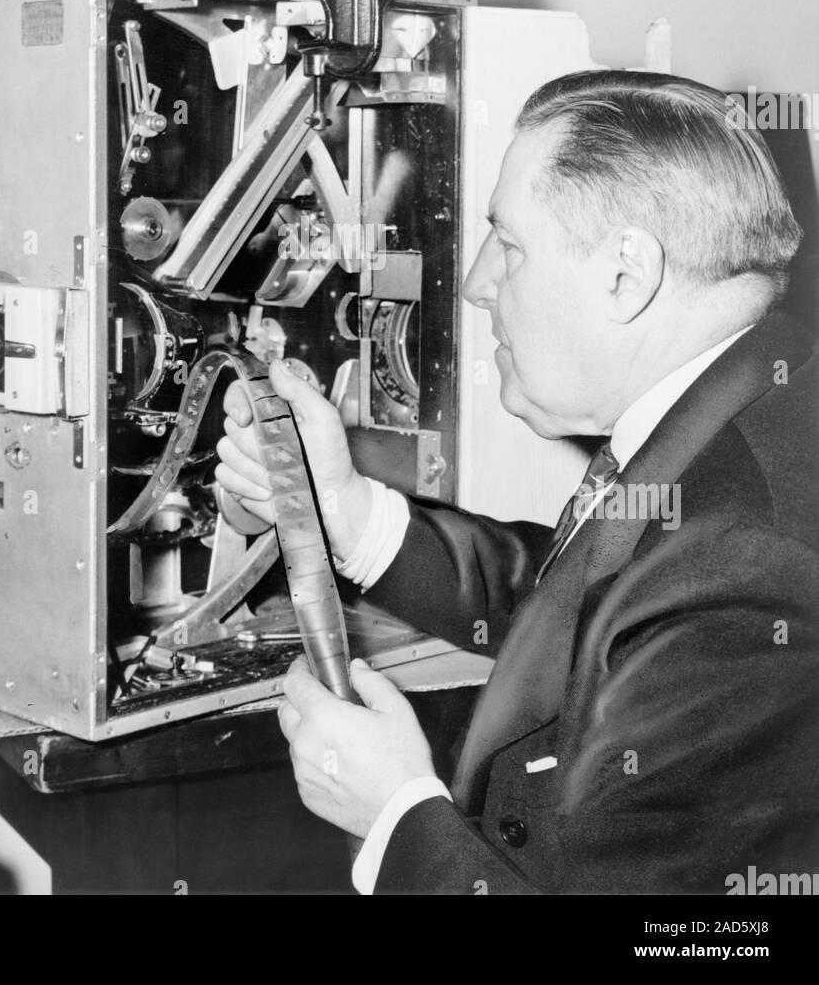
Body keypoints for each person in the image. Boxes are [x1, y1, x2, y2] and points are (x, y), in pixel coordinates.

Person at [215, 69, 819, 895]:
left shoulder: (750, 558)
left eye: (509, 242)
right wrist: (352, 517)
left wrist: (396, 814)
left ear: (624, 274)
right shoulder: (756, 407)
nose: (474, 285)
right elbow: (608, 604)